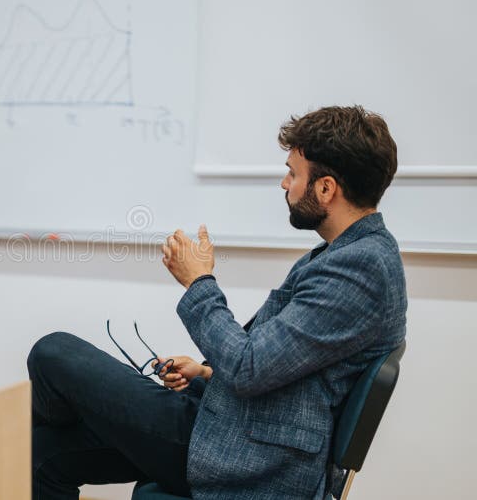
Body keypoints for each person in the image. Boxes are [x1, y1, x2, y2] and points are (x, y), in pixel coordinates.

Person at [27, 106, 407, 499]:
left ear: (326, 189)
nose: (284, 184)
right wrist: (207, 373)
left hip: (243, 456)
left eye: (293, 174)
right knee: (41, 454)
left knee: (52, 352)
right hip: (233, 428)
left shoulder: (359, 269)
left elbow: (248, 367)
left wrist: (198, 281)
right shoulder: (350, 254)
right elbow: (280, 362)